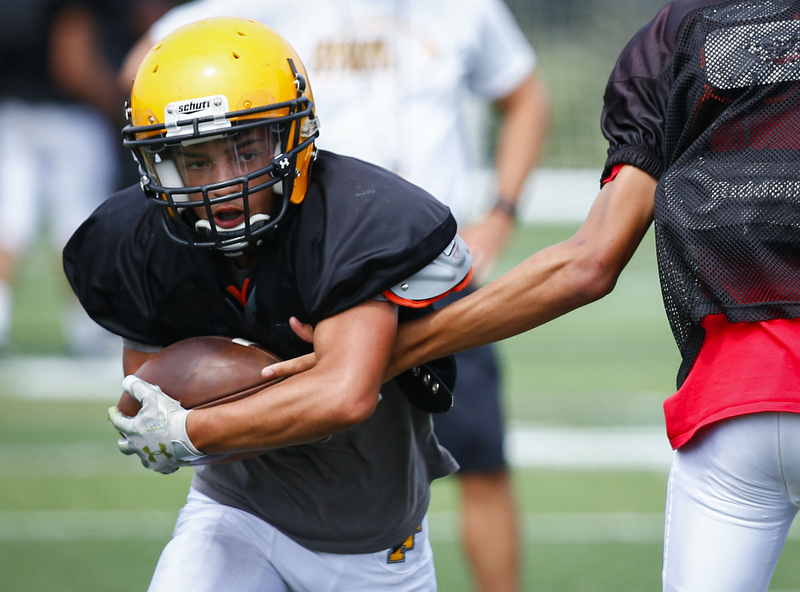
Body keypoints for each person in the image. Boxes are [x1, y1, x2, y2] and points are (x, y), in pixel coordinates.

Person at [267, 1, 800, 590]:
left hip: (739, 406)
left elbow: (590, 261)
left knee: (482, 464)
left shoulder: (682, 33)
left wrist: (390, 352)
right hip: (338, 279)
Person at [121, 3, 549, 590]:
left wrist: (500, 212)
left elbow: (525, 94)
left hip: (416, 268)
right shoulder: (249, 14)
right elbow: (145, 74)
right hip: (292, 255)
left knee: (480, 459)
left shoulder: (462, 7)